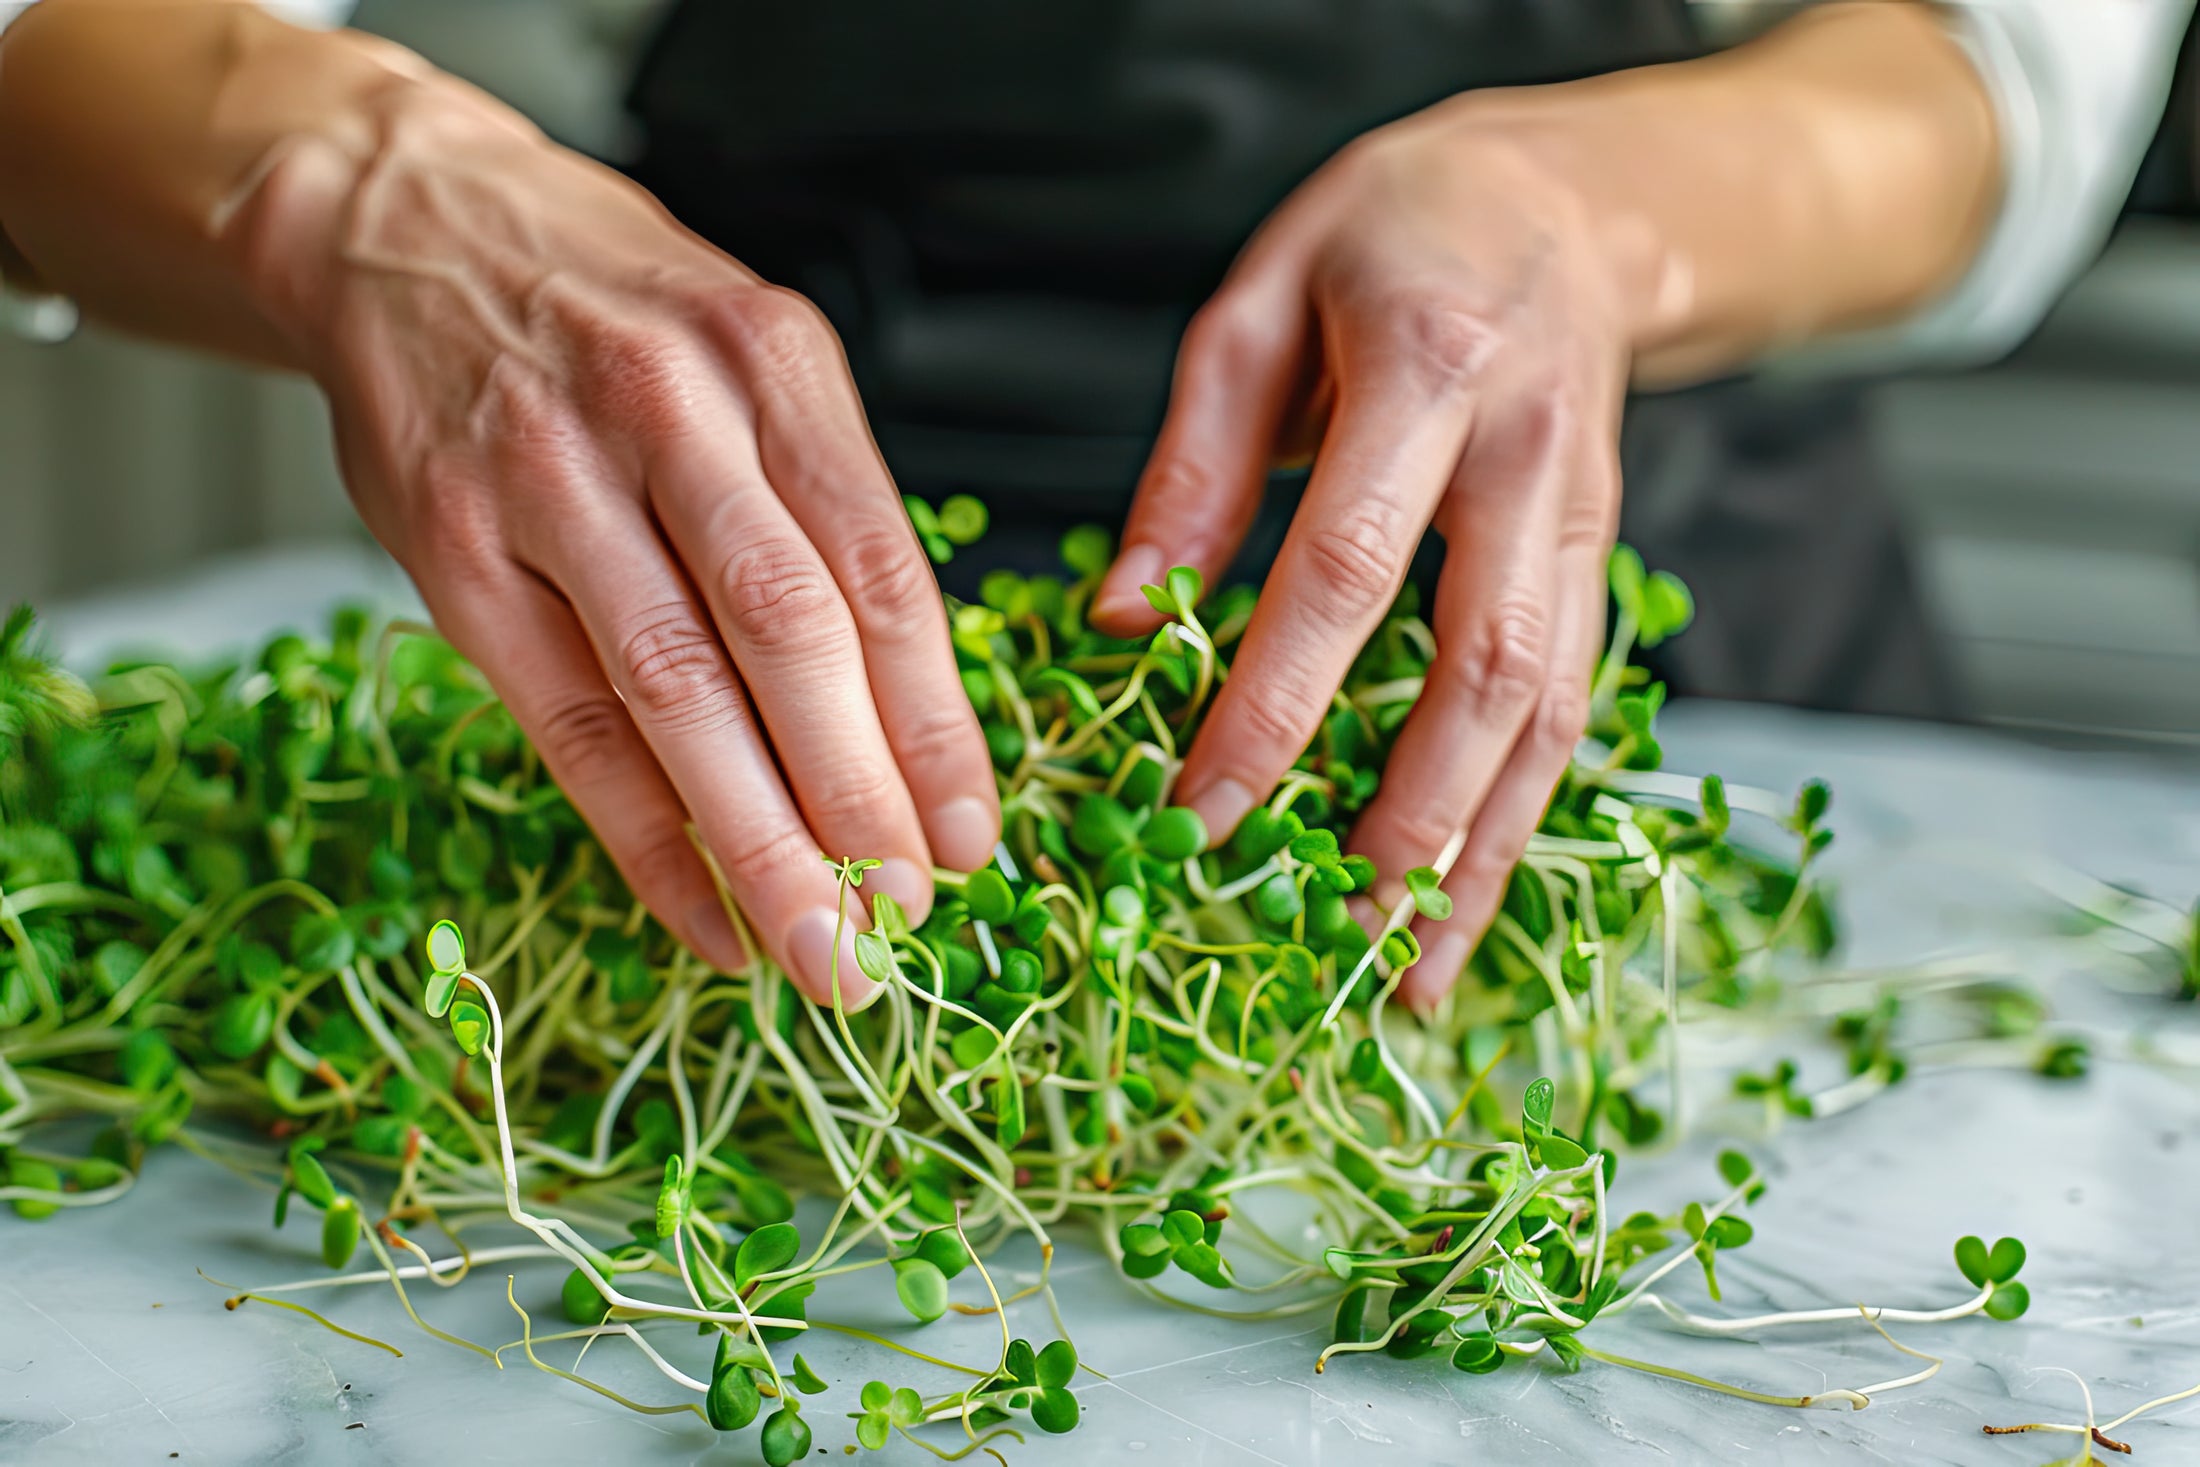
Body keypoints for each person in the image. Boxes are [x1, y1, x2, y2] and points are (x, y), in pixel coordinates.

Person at [0, 0, 2187, 1010]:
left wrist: (1596, 214)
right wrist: (349, 181)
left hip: (1638, 565)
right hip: (734, 551)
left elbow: (2003, 70)